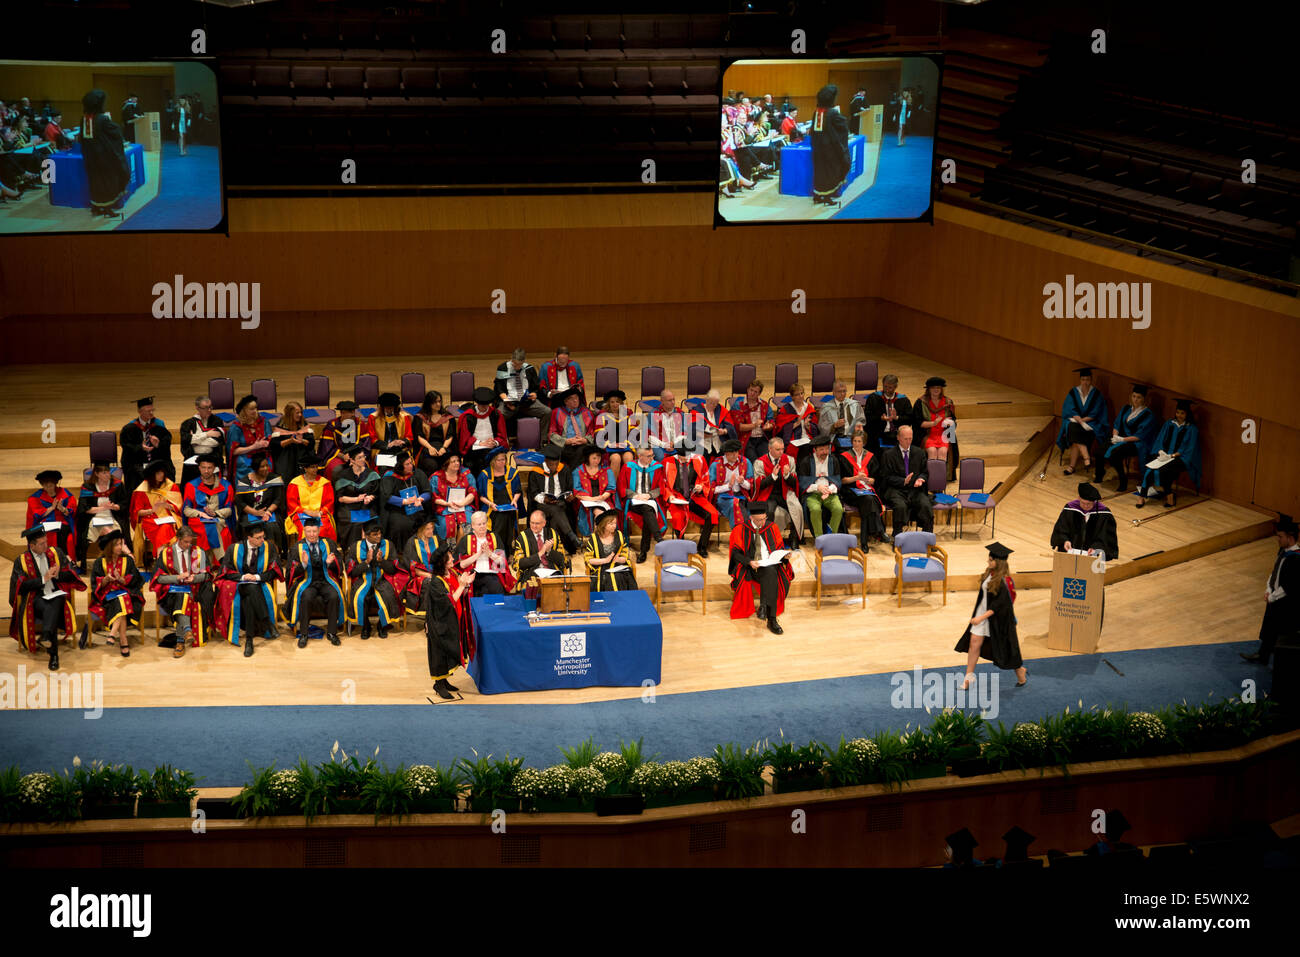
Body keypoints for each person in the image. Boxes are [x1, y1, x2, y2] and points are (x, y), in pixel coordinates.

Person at [9, 526, 85, 670]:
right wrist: (43, 579)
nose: (46, 545)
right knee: (52, 608)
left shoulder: (56, 553)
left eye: (46, 541)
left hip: (56, 594)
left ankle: (49, 644)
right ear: (32, 546)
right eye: (42, 544)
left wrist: (57, 575)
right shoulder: (21, 561)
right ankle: (50, 644)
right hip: (36, 599)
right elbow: (20, 586)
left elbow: (71, 574)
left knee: (55, 602)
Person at [956, 542, 1027, 689]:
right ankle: (968, 680)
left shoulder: (1004, 581)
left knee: (1006, 650)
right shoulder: (989, 574)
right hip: (983, 616)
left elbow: (999, 605)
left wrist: (980, 618)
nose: (988, 562)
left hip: (997, 621)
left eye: (990, 560)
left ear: (999, 562)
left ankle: (1020, 672)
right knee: (974, 644)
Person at [1241, 515, 1300, 666]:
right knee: (1270, 629)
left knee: (1283, 633)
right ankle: (1262, 656)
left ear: (1290, 537)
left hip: (1285, 602)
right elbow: (1274, 572)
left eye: (1280, 536)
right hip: (1274, 597)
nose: (1277, 539)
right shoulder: (1283, 552)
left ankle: (1283, 665)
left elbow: (1289, 586)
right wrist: (1268, 588)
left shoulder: (1296, 559)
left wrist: (1273, 597)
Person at [728, 500, 794, 634]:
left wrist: (784, 556)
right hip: (750, 567)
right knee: (771, 575)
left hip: (770, 564)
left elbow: (779, 547)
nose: (762, 523)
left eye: (764, 519)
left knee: (771, 571)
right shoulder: (740, 529)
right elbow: (735, 553)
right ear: (751, 517)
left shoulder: (772, 527)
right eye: (758, 520)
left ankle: (766, 609)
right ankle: (771, 618)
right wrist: (749, 562)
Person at [216, 523, 281, 656]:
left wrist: (257, 577)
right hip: (239, 585)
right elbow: (225, 571)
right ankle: (267, 622)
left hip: (259, 584)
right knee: (250, 588)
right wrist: (243, 576)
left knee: (249, 601)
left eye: (263, 537)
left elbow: (275, 571)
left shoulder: (269, 548)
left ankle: (249, 641)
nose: (262, 540)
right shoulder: (234, 549)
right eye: (258, 538)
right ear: (249, 538)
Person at [150, 525, 215, 656]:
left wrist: (194, 578)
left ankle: (181, 640)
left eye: (190, 542)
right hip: (172, 591)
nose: (188, 545)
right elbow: (159, 579)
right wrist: (178, 577)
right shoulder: (166, 553)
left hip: (194, 589)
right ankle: (186, 631)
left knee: (184, 596)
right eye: (185, 542)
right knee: (182, 595)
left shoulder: (198, 552)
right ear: (178, 539)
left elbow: (207, 575)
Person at [422, 545, 475, 700]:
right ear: (442, 563)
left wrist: (467, 585)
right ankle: (438, 684)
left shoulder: (451, 572)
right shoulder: (435, 582)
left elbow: (458, 593)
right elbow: (449, 601)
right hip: (439, 624)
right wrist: (462, 585)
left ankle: (444, 681)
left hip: (451, 621)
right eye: (450, 557)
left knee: (448, 653)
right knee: (439, 654)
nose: (453, 558)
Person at [284, 515, 345, 647]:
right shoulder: (296, 548)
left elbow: (340, 564)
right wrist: (304, 565)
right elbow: (290, 572)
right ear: (304, 531)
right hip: (307, 582)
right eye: (309, 531)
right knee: (305, 597)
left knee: (334, 596)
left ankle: (332, 633)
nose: (312, 534)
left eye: (314, 531)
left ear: (319, 531)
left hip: (325, 580)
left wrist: (330, 563)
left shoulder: (329, 544)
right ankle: (304, 634)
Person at [87, 529, 146, 657]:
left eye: (121, 544)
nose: (120, 547)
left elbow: (135, 579)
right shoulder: (100, 562)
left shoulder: (127, 561)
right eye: (117, 544)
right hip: (107, 598)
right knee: (121, 600)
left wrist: (122, 579)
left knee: (122, 599)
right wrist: (105, 580)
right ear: (110, 547)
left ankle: (114, 634)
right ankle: (123, 639)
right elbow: (95, 583)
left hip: (127, 593)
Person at [662, 436, 719, 557]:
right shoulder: (668, 462)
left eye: (687, 456)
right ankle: (681, 546)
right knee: (678, 517)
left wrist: (701, 487)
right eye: (683, 457)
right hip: (677, 497)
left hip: (694, 496)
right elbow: (664, 483)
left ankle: (702, 546)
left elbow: (705, 479)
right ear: (677, 454)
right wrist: (670, 495)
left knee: (712, 514)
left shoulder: (700, 459)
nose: (685, 459)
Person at [1138, 399, 1201, 508]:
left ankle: (1170, 497)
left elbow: (1189, 449)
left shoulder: (1192, 429)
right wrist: (1161, 452)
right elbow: (1160, 439)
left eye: (1182, 413)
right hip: (1164, 456)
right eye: (1178, 412)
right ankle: (1141, 496)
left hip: (1180, 459)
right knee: (1150, 469)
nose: (1179, 415)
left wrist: (1172, 456)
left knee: (1164, 471)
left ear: (1187, 414)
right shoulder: (1169, 424)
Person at [77, 89, 130, 218]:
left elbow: (83, 139)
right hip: (104, 158)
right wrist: (110, 120)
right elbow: (116, 133)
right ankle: (107, 208)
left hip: (90, 157)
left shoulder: (84, 119)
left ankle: (96, 207)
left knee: (95, 181)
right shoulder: (102, 119)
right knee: (108, 181)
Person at [345, 520, 402, 639]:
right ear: (366, 535)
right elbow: (353, 572)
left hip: (383, 580)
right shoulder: (356, 547)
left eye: (380, 533)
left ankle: (382, 625)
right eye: (375, 534)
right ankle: (366, 627)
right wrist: (366, 562)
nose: (379, 536)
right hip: (363, 580)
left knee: (387, 595)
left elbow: (393, 569)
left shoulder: (388, 545)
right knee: (361, 597)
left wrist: (382, 561)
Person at [1098, 384, 1159, 491]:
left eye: (1139, 397)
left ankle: (1123, 480)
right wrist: (1115, 436)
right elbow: (1117, 424)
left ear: (1144, 399)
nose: (1135, 399)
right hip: (1121, 438)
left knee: (1115, 455)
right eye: (1134, 396)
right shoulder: (1126, 408)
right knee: (1101, 449)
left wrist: (1122, 439)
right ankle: (1099, 473)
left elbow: (1140, 436)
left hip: (1137, 444)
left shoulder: (1148, 415)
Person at [878, 425, 933, 537]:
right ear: (898, 437)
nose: (908, 441)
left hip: (915, 489)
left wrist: (921, 479)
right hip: (896, 489)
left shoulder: (920, 452)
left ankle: (927, 539)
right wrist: (903, 481)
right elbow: (886, 477)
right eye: (905, 439)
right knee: (900, 507)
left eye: (910, 438)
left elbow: (925, 472)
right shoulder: (888, 455)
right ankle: (898, 539)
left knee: (926, 505)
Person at [1056, 367, 1109, 476]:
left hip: (1090, 423)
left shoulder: (1096, 394)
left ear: (1091, 380)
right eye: (1083, 379)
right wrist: (1080, 422)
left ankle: (1072, 466)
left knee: (1075, 434)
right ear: (1080, 380)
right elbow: (1070, 410)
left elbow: (1095, 413)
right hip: (1075, 421)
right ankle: (1086, 456)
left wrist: (1083, 421)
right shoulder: (1073, 392)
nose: (1085, 382)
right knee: (1073, 428)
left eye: (1088, 379)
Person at [528, 445, 581, 553]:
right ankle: (570, 535)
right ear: (546, 461)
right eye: (552, 464)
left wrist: (568, 496)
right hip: (543, 504)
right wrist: (545, 500)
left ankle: (552, 549)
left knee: (556, 513)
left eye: (557, 464)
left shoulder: (564, 469)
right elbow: (533, 493)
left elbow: (568, 488)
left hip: (560, 502)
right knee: (556, 510)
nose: (555, 467)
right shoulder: (536, 471)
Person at [129, 460, 184, 566]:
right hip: (150, 520)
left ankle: (160, 559)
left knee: (166, 526)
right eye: (157, 473)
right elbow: (138, 512)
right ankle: (166, 561)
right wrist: (152, 510)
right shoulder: (142, 490)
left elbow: (179, 507)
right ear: (151, 476)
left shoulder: (171, 486)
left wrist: (167, 506)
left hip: (169, 518)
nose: (161, 475)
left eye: (162, 472)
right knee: (166, 529)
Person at [840, 430, 889, 547]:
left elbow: (877, 478)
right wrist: (856, 478)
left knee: (867, 501)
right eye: (855, 441)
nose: (856, 444)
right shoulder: (844, 457)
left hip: (867, 491)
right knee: (869, 500)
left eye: (859, 441)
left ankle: (864, 542)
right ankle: (879, 531)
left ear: (864, 443)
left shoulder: (871, 457)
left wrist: (872, 480)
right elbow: (842, 480)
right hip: (851, 492)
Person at [75, 462, 128, 569]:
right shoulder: (87, 488)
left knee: (110, 529)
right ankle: (124, 554)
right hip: (95, 519)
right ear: (97, 474)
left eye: (108, 472)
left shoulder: (117, 485)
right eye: (104, 473)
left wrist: (116, 507)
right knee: (110, 532)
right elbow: (83, 509)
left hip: (112, 518)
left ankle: (110, 561)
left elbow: (124, 503)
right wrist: (103, 508)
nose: (108, 475)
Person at [182, 453, 235, 560]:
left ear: (214, 468)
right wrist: (200, 513)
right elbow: (186, 510)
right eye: (203, 467)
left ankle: (205, 563)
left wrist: (215, 513)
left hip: (218, 517)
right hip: (198, 520)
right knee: (213, 525)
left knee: (214, 524)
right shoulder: (191, 486)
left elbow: (229, 509)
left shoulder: (225, 485)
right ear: (199, 468)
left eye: (209, 468)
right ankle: (222, 559)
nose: (206, 471)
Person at [753, 435, 804, 546]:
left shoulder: (789, 460)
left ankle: (794, 538)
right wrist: (772, 476)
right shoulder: (760, 462)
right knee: (769, 512)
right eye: (778, 450)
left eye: (782, 449)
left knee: (797, 508)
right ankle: (769, 540)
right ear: (770, 449)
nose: (781, 452)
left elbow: (794, 483)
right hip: (769, 495)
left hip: (785, 493)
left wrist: (787, 475)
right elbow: (759, 485)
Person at [621, 445, 668, 563]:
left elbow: (661, 487)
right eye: (649, 456)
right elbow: (621, 487)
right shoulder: (628, 467)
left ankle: (644, 551)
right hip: (632, 501)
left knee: (648, 510)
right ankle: (657, 539)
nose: (652, 458)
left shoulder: (656, 467)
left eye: (652, 455)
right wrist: (635, 495)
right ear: (640, 456)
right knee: (648, 510)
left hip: (650, 500)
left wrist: (649, 495)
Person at [380, 449, 433, 550]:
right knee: (400, 525)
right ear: (399, 466)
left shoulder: (418, 474)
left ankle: (420, 550)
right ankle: (401, 552)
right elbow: (386, 496)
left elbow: (428, 491)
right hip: (397, 510)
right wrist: (404, 501)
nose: (411, 466)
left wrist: (421, 499)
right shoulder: (389, 477)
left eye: (411, 463)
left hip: (417, 507)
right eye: (407, 464)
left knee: (422, 520)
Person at [1050, 482, 1118, 560]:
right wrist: (1065, 541)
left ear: (1094, 502)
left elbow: (1107, 537)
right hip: (1070, 555)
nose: (1085, 506)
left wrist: (1096, 548)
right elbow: (1061, 529)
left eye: (1089, 504)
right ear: (1079, 498)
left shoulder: (1104, 513)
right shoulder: (1070, 509)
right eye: (1083, 503)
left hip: (1092, 558)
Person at [334, 445, 382, 551]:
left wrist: (370, 497)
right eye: (359, 458)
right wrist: (356, 499)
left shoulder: (371, 474)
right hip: (348, 507)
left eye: (363, 456)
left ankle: (370, 551)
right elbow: (340, 498)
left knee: (370, 522)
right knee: (353, 524)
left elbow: (376, 492)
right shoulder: (343, 475)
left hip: (366, 506)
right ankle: (353, 552)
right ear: (352, 460)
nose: (363, 459)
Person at [120, 396, 173, 493]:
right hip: (137, 463)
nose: (151, 413)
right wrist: (140, 448)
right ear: (140, 411)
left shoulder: (159, 425)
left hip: (156, 461)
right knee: (134, 475)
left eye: (152, 410)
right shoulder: (130, 428)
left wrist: (158, 445)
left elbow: (167, 441)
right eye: (148, 411)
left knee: (165, 470)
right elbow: (126, 445)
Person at [455, 510, 514, 596]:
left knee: (494, 587)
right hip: (473, 575)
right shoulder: (466, 540)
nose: (482, 526)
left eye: (484, 523)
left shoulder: (494, 537)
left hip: (492, 574)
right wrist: (479, 554)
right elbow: (462, 565)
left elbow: (502, 564)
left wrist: (489, 553)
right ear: (473, 526)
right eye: (479, 524)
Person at [512, 509, 570, 596]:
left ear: (544, 523)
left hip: (552, 571)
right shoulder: (522, 538)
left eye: (537, 523)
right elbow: (520, 564)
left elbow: (562, 560)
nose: (534, 526)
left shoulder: (553, 534)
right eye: (532, 523)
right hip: (531, 572)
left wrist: (549, 551)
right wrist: (540, 553)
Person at [235, 453, 287, 551]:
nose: (266, 468)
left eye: (267, 465)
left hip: (270, 513)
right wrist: (255, 512)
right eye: (262, 466)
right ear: (255, 468)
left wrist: (268, 511)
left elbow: (278, 499)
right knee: (252, 527)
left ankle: (273, 556)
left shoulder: (274, 479)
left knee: (272, 527)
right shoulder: (244, 482)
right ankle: (251, 555)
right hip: (250, 513)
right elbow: (240, 502)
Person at [811, 84, 850, 206]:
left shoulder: (817, 112)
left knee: (820, 171)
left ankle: (818, 195)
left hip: (818, 148)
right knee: (831, 171)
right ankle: (826, 197)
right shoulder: (832, 113)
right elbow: (843, 128)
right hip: (830, 150)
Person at [799, 434, 845, 538]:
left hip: (830, 493)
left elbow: (837, 481)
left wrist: (829, 490)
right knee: (815, 510)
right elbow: (803, 483)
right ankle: (819, 539)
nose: (825, 452)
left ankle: (831, 537)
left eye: (826, 449)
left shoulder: (833, 460)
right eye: (821, 449)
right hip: (813, 495)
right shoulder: (806, 461)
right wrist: (818, 487)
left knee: (838, 509)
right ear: (815, 450)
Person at [476, 448, 522, 553]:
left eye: (504, 459)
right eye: (499, 460)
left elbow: (518, 490)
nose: (503, 462)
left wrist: (515, 500)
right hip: (491, 508)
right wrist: (491, 504)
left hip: (509, 506)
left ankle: (504, 550)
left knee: (508, 516)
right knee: (501, 518)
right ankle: (501, 550)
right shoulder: (485, 475)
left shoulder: (512, 473)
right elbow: (481, 496)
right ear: (493, 461)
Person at [495, 348, 550, 434]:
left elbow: (535, 386)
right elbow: (498, 388)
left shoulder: (529, 369)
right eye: (515, 364)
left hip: (526, 402)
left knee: (547, 412)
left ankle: (542, 440)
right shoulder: (503, 368)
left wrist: (534, 393)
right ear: (511, 359)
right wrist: (506, 400)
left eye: (519, 365)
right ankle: (502, 440)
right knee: (497, 415)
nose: (517, 367)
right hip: (510, 402)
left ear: (524, 361)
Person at [285, 454, 336, 542]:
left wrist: (320, 512)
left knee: (323, 528)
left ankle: (325, 551)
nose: (315, 469)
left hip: (320, 515)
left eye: (316, 467)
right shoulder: (295, 483)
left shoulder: (325, 483)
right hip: (301, 515)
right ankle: (305, 553)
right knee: (305, 530)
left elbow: (329, 503)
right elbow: (292, 503)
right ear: (305, 468)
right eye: (312, 467)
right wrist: (306, 511)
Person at [26, 469, 77, 558]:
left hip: (62, 523)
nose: (49, 488)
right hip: (44, 524)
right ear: (42, 485)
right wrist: (51, 508)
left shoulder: (65, 494)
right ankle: (51, 558)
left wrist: (63, 509)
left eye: (51, 485)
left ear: (55, 484)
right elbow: (36, 514)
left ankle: (63, 558)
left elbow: (72, 510)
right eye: (46, 486)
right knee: (50, 532)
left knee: (63, 529)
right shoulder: (35, 497)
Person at [457, 387, 509, 474]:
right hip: (473, 448)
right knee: (473, 465)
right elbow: (465, 438)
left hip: (492, 448)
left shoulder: (496, 414)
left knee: (489, 461)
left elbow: (502, 435)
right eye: (481, 405)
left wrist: (495, 442)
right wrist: (480, 443)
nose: (484, 408)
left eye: (486, 405)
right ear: (476, 403)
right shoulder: (468, 416)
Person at [585, 509, 637, 592]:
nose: (614, 526)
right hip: (600, 568)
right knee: (608, 578)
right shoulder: (594, 539)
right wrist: (605, 560)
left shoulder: (619, 535)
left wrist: (620, 559)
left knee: (619, 577)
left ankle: (622, 603)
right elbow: (589, 559)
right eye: (611, 523)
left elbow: (624, 553)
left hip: (617, 567)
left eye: (615, 523)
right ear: (603, 524)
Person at [180, 395, 225, 488]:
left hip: (212, 457)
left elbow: (216, 442)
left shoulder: (217, 421)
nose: (209, 410)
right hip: (193, 459)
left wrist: (195, 439)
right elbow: (186, 440)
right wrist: (207, 434)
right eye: (205, 408)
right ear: (197, 408)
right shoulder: (187, 424)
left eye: (210, 407)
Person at [916, 376, 958, 476]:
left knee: (943, 453)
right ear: (928, 389)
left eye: (938, 388)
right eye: (933, 388)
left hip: (944, 435)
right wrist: (933, 423)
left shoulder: (948, 402)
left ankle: (940, 481)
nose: (936, 390)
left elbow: (954, 422)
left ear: (941, 389)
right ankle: (931, 479)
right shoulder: (921, 402)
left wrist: (950, 423)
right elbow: (918, 423)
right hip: (928, 435)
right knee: (932, 452)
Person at [709, 438, 754, 529]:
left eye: (737, 452)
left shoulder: (745, 462)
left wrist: (742, 482)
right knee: (735, 503)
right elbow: (711, 489)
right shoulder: (716, 465)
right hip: (723, 497)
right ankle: (741, 532)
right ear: (726, 453)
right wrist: (728, 486)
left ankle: (743, 533)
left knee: (742, 505)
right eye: (732, 453)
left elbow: (750, 486)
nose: (735, 456)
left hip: (742, 496)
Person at [433, 452, 478, 542]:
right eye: (453, 461)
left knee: (467, 525)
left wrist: (463, 503)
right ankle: (451, 552)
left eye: (458, 460)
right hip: (445, 507)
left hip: (464, 506)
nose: (457, 463)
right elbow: (434, 497)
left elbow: (473, 492)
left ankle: (460, 552)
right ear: (446, 464)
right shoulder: (436, 477)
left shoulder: (466, 474)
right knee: (448, 526)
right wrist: (447, 503)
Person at [573, 445, 616, 537]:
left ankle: (600, 538)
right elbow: (576, 491)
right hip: (585, 501)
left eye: (599, 457)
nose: (597, 461)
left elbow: (611, 487)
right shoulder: (579, 471)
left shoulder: (606, 469)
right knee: (598, 512)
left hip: (604, 500)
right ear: (587, 458)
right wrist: (592, 499)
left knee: (601, 512)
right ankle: (599, 539)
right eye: (594, 458)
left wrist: (602, 497)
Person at [863, 375, 914, 454]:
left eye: (890, 388)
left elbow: (910, 419)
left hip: (896, 432)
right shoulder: (874, 398)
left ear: (895, 387)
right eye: (885, 386)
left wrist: (897, 418)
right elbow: (867, 417)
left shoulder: (903, 400)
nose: (886, 390)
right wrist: (880, 418)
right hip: (878, 432)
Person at [400, 518, 442, 613]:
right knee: (430, 583)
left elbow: (444, 558)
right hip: (418, 577)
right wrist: (431, 576)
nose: (431, 531)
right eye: (428, 529)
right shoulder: (412, 543)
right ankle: (429, 616)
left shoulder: (436, 539)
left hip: (437, 573)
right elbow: (414, 568)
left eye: (432, 528)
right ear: (421, 529)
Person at [548, 387, 595, 470]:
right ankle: (575, 476)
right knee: (572, 453)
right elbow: (552, 433)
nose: (575, 400)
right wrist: (566, 441)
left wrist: (585, 440)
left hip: (582, 444)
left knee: (582, 451)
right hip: (564, 445)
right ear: (565, 401)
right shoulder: (557, 412)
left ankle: (570, 476)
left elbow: (592, 431)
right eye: (572, 399)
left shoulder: (587, 412)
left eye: (576, 398)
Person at [228, 394, 271, 484]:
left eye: (256, 408)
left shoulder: (263, 422)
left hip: (262, 456)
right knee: (247, 469)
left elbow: (270, 439)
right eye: (251, 409)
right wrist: (253, 447)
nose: (255, 411)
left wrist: (267, 443)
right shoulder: (236, 427)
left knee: (267, 465)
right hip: (245, 458)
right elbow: (234, 451)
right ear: (244, 411)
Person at [774, 383, 819, 466]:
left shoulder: (809, 408)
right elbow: (780, 429)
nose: (801, 396)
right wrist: (795, 424)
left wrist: (808, 426)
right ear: (792, 397)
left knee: (809, 448)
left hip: (808, 438)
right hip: (793, 439)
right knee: (798, 450)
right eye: (797, 394)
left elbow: (816, 427)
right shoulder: (786, 409)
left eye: (802, 393)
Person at [270, 401, 315, 480]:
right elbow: (274, 445)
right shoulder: (281, 425)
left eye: (301, 412)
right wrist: (290, 441)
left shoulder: (303, 424)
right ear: (290, 414)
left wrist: (302, 441)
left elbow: (311, 443)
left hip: (302, 455)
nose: (300, 415)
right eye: (297, 413)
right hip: (285, 457)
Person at [413, 391, 455, 475]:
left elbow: (450, 435)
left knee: (449, 463)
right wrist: (430, 448)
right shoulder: (420, 417)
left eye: (439, 401)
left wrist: (444, 448)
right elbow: (419, 436)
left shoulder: (447, 417)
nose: (438, 404)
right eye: (435, 402)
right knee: (431, 465)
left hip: (443, 447)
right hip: (426, 447)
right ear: (429, 403)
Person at [319, 400, 365, 476]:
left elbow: (365, 444)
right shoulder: (332, 425)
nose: (353, 415)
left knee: (362, 468)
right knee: (335, 469)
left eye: (353, 412)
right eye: (350, 412)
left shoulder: (360, 424)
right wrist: (343, 456)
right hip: (338, 456)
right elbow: (327, 447)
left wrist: (357, 457)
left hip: (357, 455)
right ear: (342, 413)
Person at [733, 379, 774, 460]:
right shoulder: (738, 405)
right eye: (751, 390)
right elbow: (739, 427)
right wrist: (754, 425)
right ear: (747, 389)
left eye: (755, 392)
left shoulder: (764, 405)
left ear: (759, 393)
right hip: (746, 439)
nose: (752, 393)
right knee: (753, 460)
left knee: (766, 459)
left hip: (762, 438)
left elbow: (771, 421)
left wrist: (769, 426)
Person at [594, 390, 633, 474]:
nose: (615, 404)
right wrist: (610, 444)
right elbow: (599, 436)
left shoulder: (627, 414)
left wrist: (626, 443)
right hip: (608, 447)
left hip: (625, 446)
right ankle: (613, 486)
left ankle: (627, 485)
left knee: (629, 458)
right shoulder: (602, 416)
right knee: (616, 458)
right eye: (612, 402)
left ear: (621, 403)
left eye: (617, 402)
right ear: (608, 403)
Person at [366, 393, 414, 461]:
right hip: (382, 450)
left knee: (403, 465)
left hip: (400, 450)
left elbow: (409, 437)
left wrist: (402, 442)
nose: (389, 411)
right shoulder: (373, 418)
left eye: (391, 408)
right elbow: (372, 438)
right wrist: (388, 445)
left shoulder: (404, 417)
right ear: (382, 408)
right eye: (387, 408)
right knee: (384, 467)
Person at [818, 380, 865, 446]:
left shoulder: (854, 405)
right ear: (833, 392)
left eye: (844, 391)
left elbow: (861, 420)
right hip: (835, 437)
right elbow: (822, 427)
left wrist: (859, 424)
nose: (842, 394)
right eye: (839, 391)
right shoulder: (827, 408)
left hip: (852, 436)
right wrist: (834, 426)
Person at [696, 390, 735, 459]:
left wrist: (724, 431)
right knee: (702, 455)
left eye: (715, 403)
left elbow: (731, 427)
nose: (713, 406)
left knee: (724, 456)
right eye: (711, 403)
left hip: (718, 442)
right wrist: (701, 434)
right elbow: (691, 430)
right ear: (706, 400)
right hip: (703, 443)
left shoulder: (722, 410)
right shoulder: (697, 410)